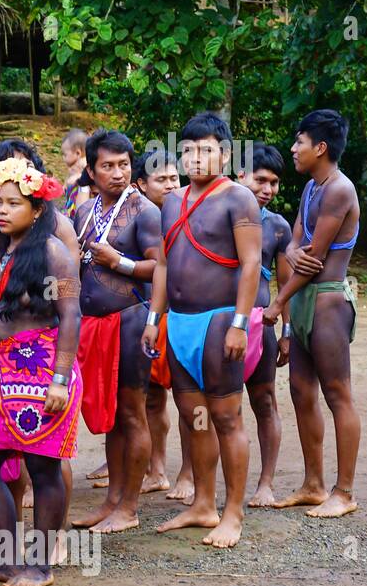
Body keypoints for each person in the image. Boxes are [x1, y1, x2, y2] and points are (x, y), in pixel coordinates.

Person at [143, 112, 262, 549]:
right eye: (188, 149)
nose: (196, 157)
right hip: (179, 323)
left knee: (226, 417)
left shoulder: (239, 199)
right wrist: (155, 320)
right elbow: (162, 264)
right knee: (193, 418)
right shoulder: (171, 201)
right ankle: (203, 503)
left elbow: (251, 264)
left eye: (206, 149)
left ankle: (234, 512)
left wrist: (238, 324)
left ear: (226, 154)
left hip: (219, 320)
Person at [0, 159, 82, 586]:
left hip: (42, 368)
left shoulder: (53, 253)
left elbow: (71, 316)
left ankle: (41, 567)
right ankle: (9, 558)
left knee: (44, 468)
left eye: (15, 203)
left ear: (36, 209)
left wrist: (61, 379)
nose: (4, 211)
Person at [263, 109, 360, 518]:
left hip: (328, 303)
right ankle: (313, 484)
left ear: (320, 147)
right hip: (305, 300)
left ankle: (345, 491)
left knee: (337, 394)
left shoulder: (339, 189)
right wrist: (292, 255)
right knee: (301, 392)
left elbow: (313, 258)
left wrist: (278, 301)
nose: (293, 149)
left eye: (299, 141)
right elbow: (293, 246)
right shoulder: (310, 189)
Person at [70, 130, 162, 533]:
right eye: (107, 166)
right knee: (110, 416)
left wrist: (120, 262)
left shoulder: (144, 211)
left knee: (131, 413)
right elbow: (73, 272)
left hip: (130, 321)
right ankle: (110, 502)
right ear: (91, 170)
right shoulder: (83, 211)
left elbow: (161, 268)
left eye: (124, 164)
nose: (118, 173)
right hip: (91, 324)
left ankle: (130, 507)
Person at [237, 144, 293, 509]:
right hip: (216, 324)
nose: (268, 189)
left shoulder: (277, 226)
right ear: (240, 175)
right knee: (209, 409)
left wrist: (286, 331)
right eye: (261, 179)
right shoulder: (214, 215)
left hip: (261, 327)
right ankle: (197, 482)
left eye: (274, 182)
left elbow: (286, 283)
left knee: (264, 401)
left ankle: (266, 484)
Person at [131, 153, 190, 497]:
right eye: (161, 180)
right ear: (142, 184)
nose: (170, 185)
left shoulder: (187, 213)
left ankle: (188, 472)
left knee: (188, 398)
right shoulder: (139, 216)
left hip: (181, 314)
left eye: (174, 179)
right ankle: (156, 469)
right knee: (151, 399)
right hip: (148, 315)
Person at [60, 128, 90, 219]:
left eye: (65, 154)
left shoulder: (84, 163)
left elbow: (88, 177)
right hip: (71, 205)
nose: (63, 158)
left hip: (80, 207)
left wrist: (78, 177)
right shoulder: (74, 166)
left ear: (78, 153)